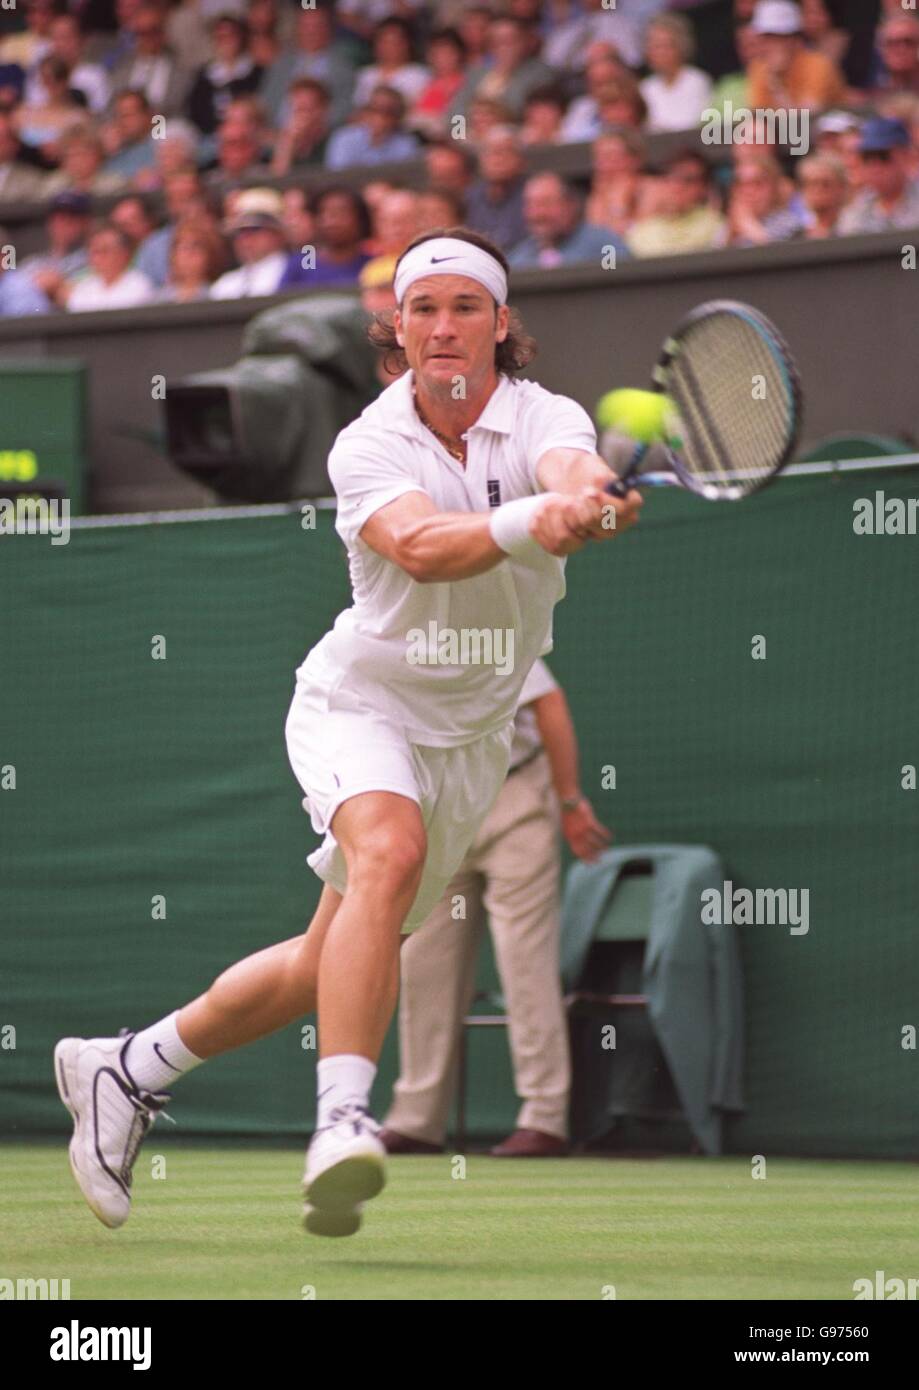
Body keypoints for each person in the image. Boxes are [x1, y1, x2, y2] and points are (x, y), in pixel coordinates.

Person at [53, 225, 642, 1239]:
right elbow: (417, 545)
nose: (445, 326)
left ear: (502, 326)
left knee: (319, 957)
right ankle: (341, 1123)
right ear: (398, 333)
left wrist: (584, 497)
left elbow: (571, 464)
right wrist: (528, 523)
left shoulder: (546, 416)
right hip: (361, 703)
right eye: (424, 309)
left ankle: (125, 1066)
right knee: (390, 851)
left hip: (468, 742)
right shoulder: (366, 442)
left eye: (466, 307)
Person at [382, 660, 611, 1159]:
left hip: (515, 798)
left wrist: (570, 803)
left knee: (524, 961)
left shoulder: (487, 626)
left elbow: (549, 703)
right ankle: (416, 1120)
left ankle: (544, 1119)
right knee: (422, 963)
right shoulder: (386, 639)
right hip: (439, 809)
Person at [509, 170, 629, 269]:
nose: (537, 213)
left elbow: (617, 279)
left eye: (545, 203)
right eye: (530, 205)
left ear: (570, 205)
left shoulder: (606, 246)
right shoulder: (519, 260)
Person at [626, 148, 727, 258]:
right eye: (670, 177)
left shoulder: (715, 224)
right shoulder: (643, 228)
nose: (676, 186)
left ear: (704, 188)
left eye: (687, 180)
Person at [837, 116, 919, 235]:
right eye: (867, 158)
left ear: (905, 156)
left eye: (883, 156)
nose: (875, 167)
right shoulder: (857, 210)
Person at [639, 13, 713, 134]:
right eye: (653, 46)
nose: (658, 53)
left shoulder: (697, 80)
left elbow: (693, 123)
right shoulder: (645, 88)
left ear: (681, 47)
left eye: (664, 46)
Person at [209, 186, 287, 298]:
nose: (245, 238)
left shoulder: (294, 271)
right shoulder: (226, 283)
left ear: (277, 233)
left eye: (254, 229)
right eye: (240, 231)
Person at [463, 125, 528, 254]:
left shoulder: (532, 196)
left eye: (506, 151)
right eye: (490, 152)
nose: (498, 159)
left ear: (521, 160)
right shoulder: (469, 199)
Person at [324, 84, 420, 171]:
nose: (380, 116)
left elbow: (405, 178)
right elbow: (337, 175)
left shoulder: (406, 144)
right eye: (374, 109)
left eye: (388, 111)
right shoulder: (344, 138)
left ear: (398, 116)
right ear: (365, 111)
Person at [65, 222, 156, 311]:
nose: (97, 258)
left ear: (124, 254)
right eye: (94, 252)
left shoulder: (140, 285)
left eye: (104, 251)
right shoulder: (84, 288)